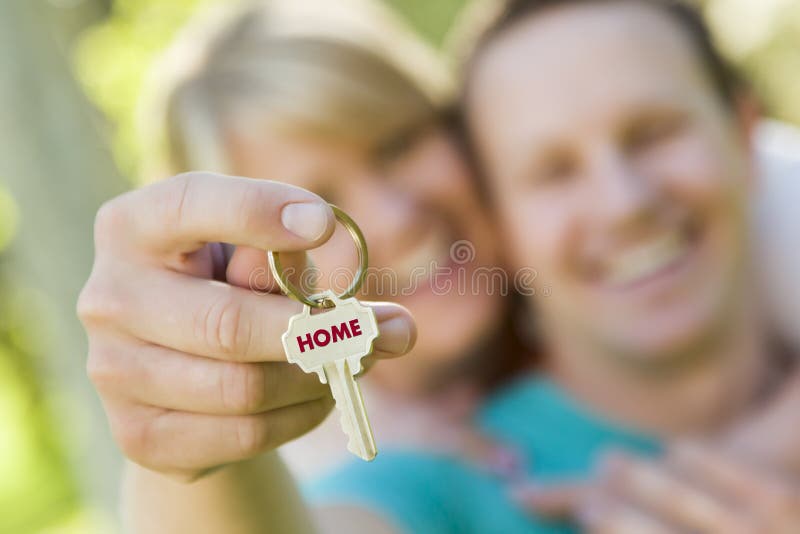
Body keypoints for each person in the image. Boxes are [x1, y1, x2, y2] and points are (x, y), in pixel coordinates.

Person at [77, 0, 800, 532]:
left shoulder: (770, 194)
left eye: (398, 145)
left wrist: (728, 465)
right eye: (315, 205)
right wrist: (180, 431)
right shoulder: (374, 469)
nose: (393, 218)